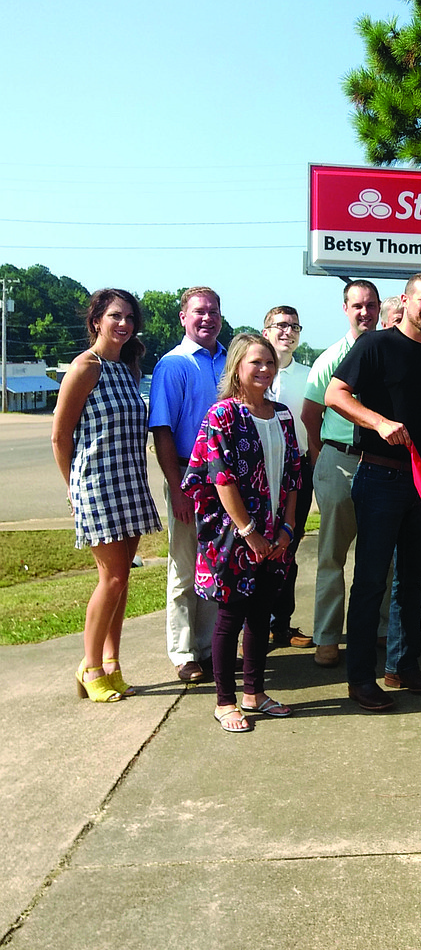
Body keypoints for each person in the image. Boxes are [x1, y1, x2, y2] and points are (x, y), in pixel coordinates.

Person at [325, 273, 421, 710]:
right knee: (370, 583)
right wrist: (377, 421)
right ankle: (360, 679)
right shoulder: (374, 345)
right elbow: (334, 394)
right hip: (379, 478)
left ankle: (402, 666)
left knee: (412, 582)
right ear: (406, 300)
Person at [183, 333, 301, 732]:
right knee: (230, 617)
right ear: (237, 367)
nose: (265, 369)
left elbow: (293, 477)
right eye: (256, 362)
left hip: (274, 535)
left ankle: (255, 693)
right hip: (234, 537)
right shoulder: (222, 416)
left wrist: (286, 528)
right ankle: (225, 701)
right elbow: (221, 478)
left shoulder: (283, 415)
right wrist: (250, 533)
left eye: (270, 362)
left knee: (260, 615)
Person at [51, 289, 162, 702]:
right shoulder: (85, 367)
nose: (124, 324)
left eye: (130, 318)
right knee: (111, 577)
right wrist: (72, 488)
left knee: (121, 578)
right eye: (115, 316)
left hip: (129, 481)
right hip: (96, 485)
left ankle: (112, 663)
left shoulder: (128, 368)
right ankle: (89, 666)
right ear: (96, 320)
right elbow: (60, 436)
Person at [301, 280, 389, 669]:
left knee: (382, 555)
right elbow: (310, 415)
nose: (365, 312)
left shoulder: (390, 351)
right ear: (345, 309)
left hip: (382, 464)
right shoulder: (329, 359)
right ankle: (327, 636)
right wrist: (324, 457)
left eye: (371, 305)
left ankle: (382, 631)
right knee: (332, 555)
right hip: (340, 460)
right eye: (357, 305)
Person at [148, 286, 226, 683]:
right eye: (198, 311)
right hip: (187, 477)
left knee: (217, 565)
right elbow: (162, 430)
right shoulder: (173, 365)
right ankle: (183, 653)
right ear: (183, 317)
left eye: (213, 311)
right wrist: (177, 488)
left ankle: (210, 645)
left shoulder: (231, 361)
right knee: (184, 566)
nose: (207, 318)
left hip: (227, 479)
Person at [262, 306, 313, 649]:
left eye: (294, 326)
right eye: (280, 325)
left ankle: (281, 623)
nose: (288, 332)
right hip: (258, 473)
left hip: (299, 470)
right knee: (256, 548)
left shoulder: (310, 375)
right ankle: (255, 623)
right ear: (265, 331)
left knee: (288, 547)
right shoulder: (252, 372)